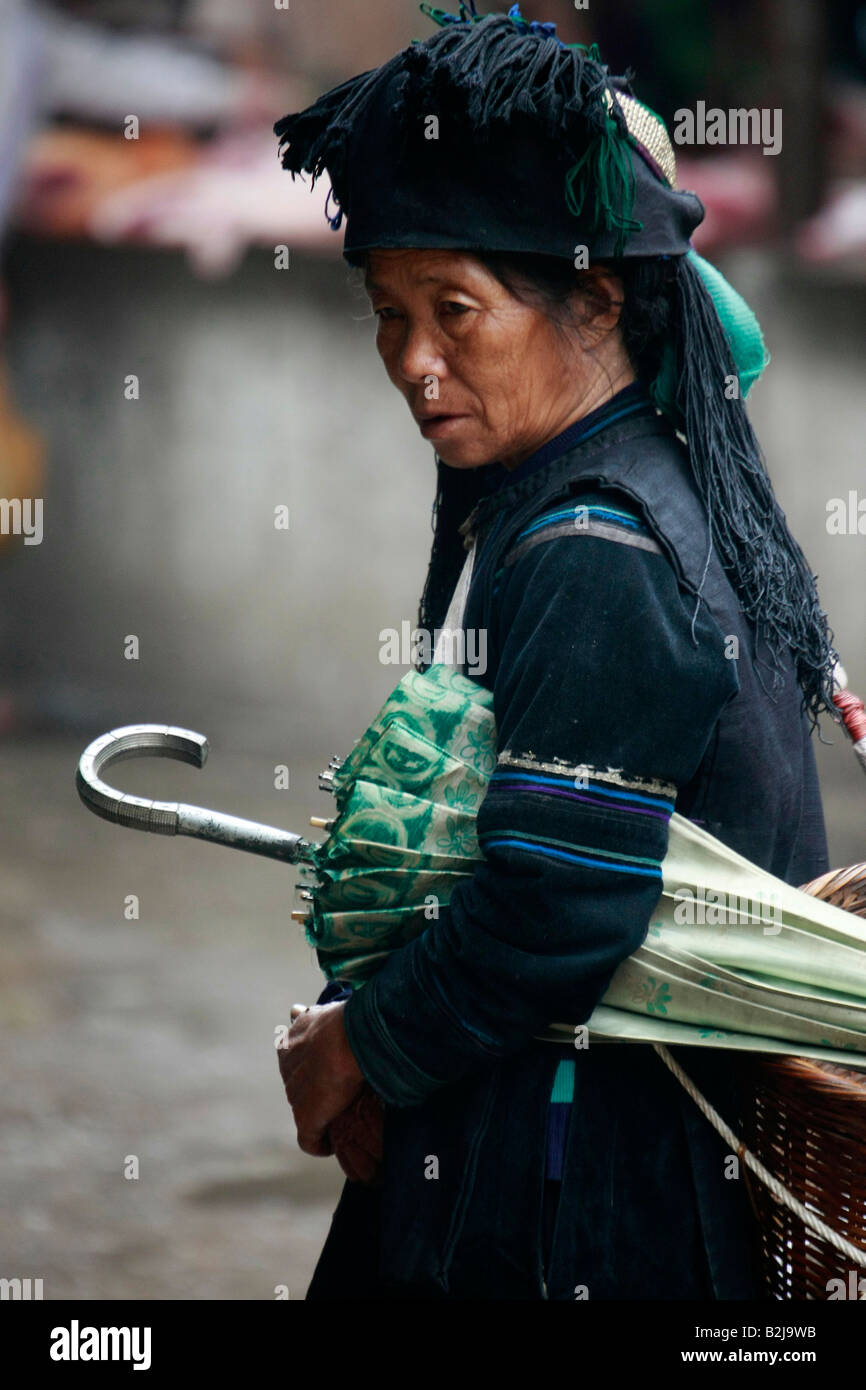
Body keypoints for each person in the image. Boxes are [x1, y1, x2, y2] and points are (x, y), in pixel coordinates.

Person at [273, 4, 838, 1300]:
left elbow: (551, 910)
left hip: (582, 1195)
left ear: (590, 298)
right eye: (387, 313)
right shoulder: (599, 479)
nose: (413, 363)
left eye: (455, 311)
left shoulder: (598, 548)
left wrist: (361, 1043)